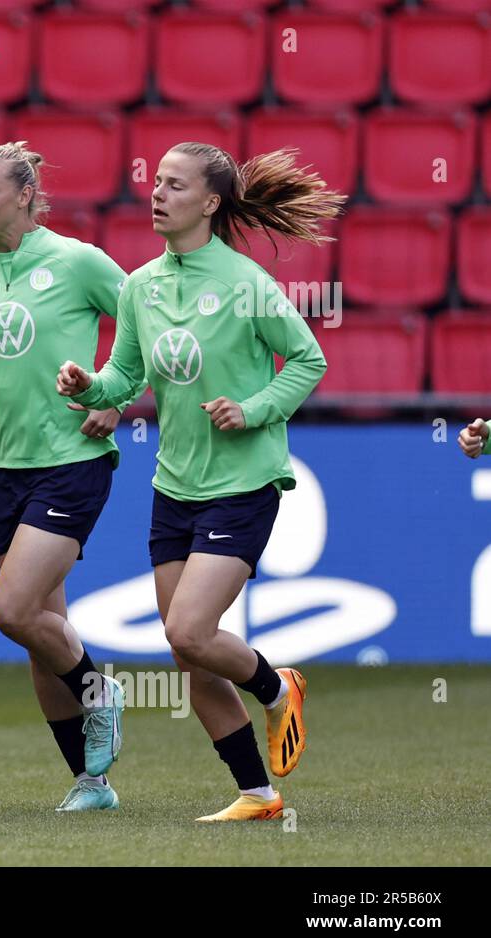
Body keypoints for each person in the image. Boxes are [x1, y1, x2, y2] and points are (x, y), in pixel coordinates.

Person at [58, 143, 342, 822]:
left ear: (210, 203)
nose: (157, 193)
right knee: (188, 654)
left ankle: (278, 688)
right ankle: (258, 793)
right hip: (174, 485)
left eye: (175, 185)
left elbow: (308, 358)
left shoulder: (245, 282)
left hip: (243, 481)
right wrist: (90, 385)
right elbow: (126, 377)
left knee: (189, 632)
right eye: (156, 182)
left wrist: (255, 409)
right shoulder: (140, 285)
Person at [0, 142, 136, 813]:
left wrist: (114, 397)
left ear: (25, 195)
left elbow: (150, 324)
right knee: (41, 630)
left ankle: (100, 692)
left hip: (73, 461)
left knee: (12, 610)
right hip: (4, 468)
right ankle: (92, 783)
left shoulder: (77, 261)